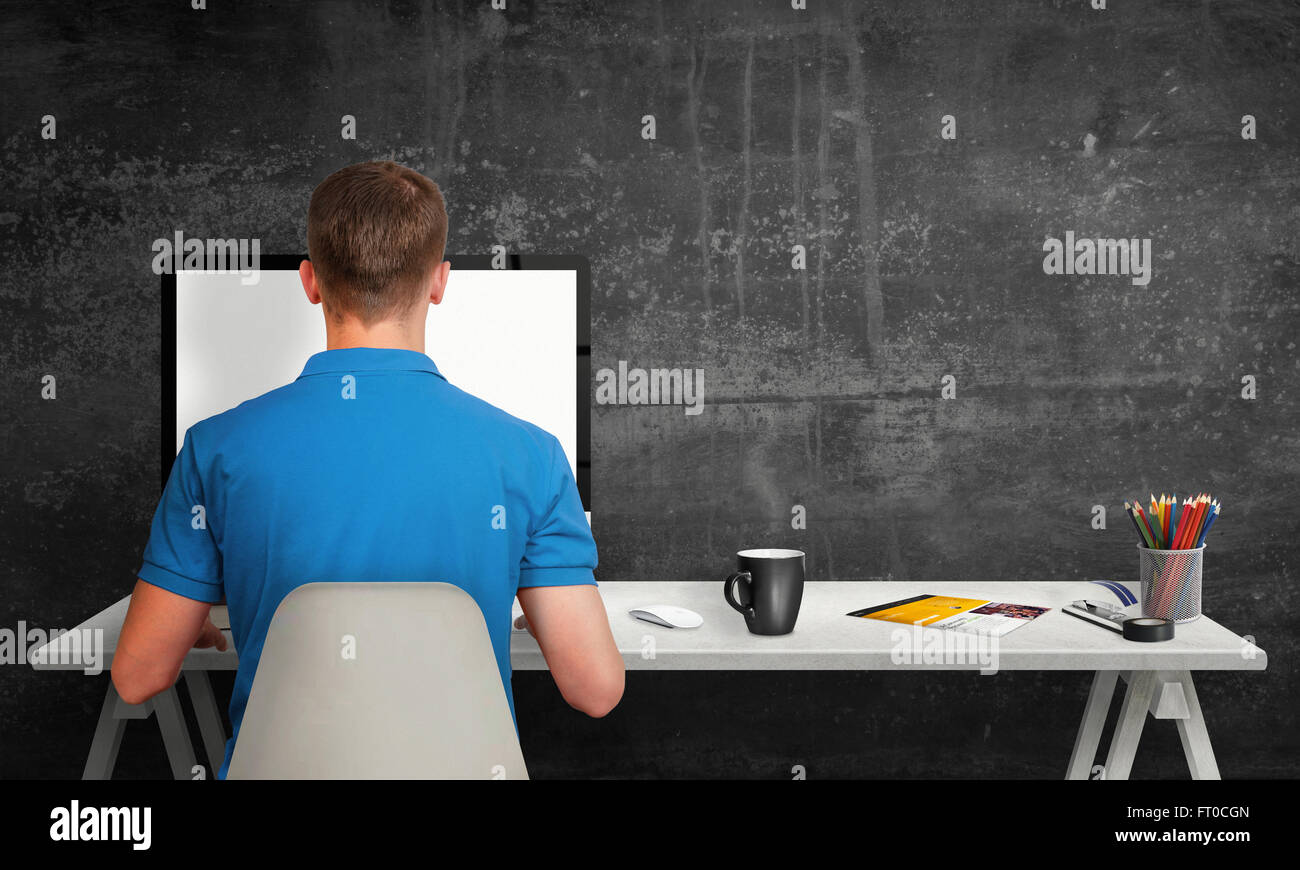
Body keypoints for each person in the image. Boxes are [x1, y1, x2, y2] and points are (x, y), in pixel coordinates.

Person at [111, 160, 624, 778]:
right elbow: (595, 690)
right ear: (440, 282)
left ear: (309, 282)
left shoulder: (215, 448)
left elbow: (138, 677)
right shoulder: (532, 455)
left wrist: (183, 615)